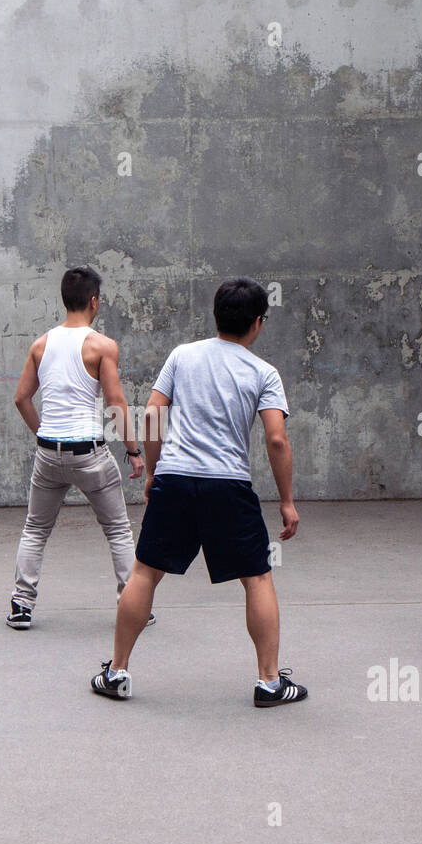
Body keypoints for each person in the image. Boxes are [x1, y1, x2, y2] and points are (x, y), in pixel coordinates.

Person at [91, 278, 306, 707]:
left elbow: (152, 414)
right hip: (228, 486)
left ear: (216, 315)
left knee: (144, 573)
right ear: (258, 324)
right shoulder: (264, 373)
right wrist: (286, 501)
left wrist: (154, 473)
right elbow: (277, 441)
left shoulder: (182, 356)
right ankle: (268, 683)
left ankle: (116, 673)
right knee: (257, 578)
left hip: (175, 480)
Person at [8, 266, 150, 629]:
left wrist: (46, 435)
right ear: (94, 302)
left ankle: (21, 606)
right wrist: (134, 452)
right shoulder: (102, 346)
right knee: (118, 530)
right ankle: (132, 604)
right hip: (90, 454)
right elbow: (116, 403)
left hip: (48, 454)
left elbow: (22, 398)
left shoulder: (40, 345)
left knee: (35, 529)